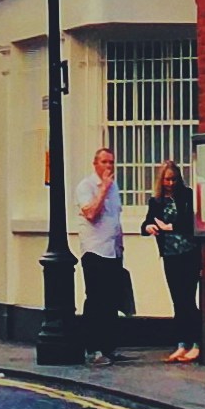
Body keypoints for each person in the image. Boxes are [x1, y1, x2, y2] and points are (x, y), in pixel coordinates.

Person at [145, 160, 204, 363]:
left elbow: (192, 221)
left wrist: (170, 227)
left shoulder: (187, 196)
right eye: (167, 179)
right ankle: (181, 343)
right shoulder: (156, 201)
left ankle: (197, 343)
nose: (170, 183)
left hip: (188, 253)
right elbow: (148, 221)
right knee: (177, 300)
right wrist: (149, 228)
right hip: (170, 255)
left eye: (173, 179)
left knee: (188, 298)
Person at [73, 141, 128, 362]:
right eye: (104, 162)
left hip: (112, 250)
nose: (109, 166)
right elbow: (91, 214)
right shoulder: (86, 187)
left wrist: (121, 246)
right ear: (95, 164)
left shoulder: (114, 187)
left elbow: (116, 218)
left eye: (112, 162)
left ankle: (109, 348)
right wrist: (103, 189)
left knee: (111, 301)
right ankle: (92, 349)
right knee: (95, 300)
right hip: (94, 250)